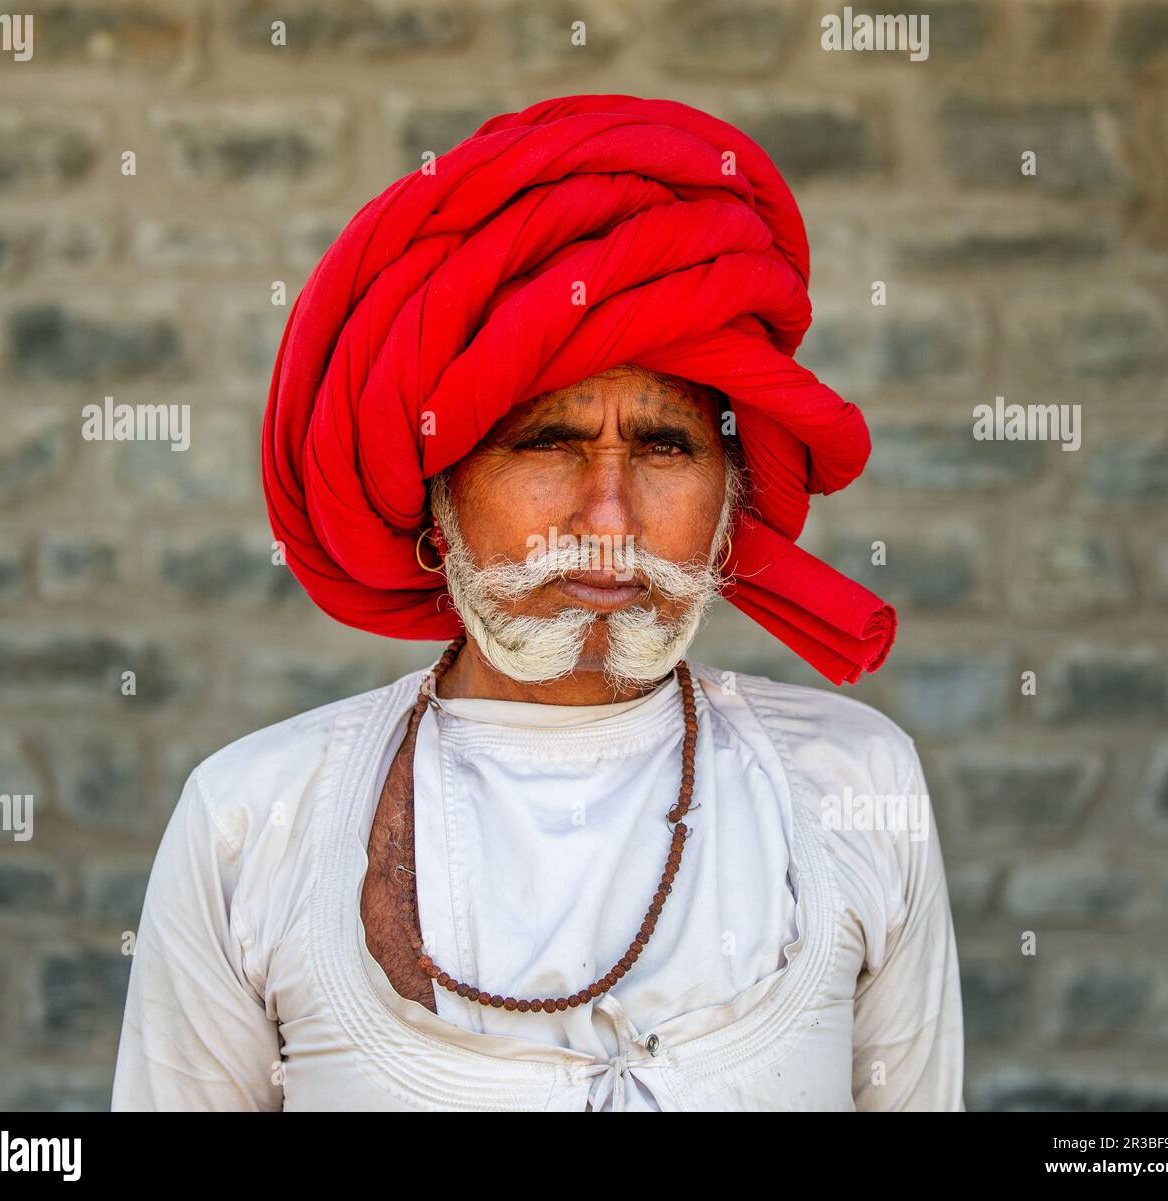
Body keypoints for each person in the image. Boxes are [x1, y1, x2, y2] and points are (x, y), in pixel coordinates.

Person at [111, 94, 964, 1112]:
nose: (607, 518)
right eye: (546, 442)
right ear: (437, 501)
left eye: (663, 446)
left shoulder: (855, 786)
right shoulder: (250, 819)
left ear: (730, 503)